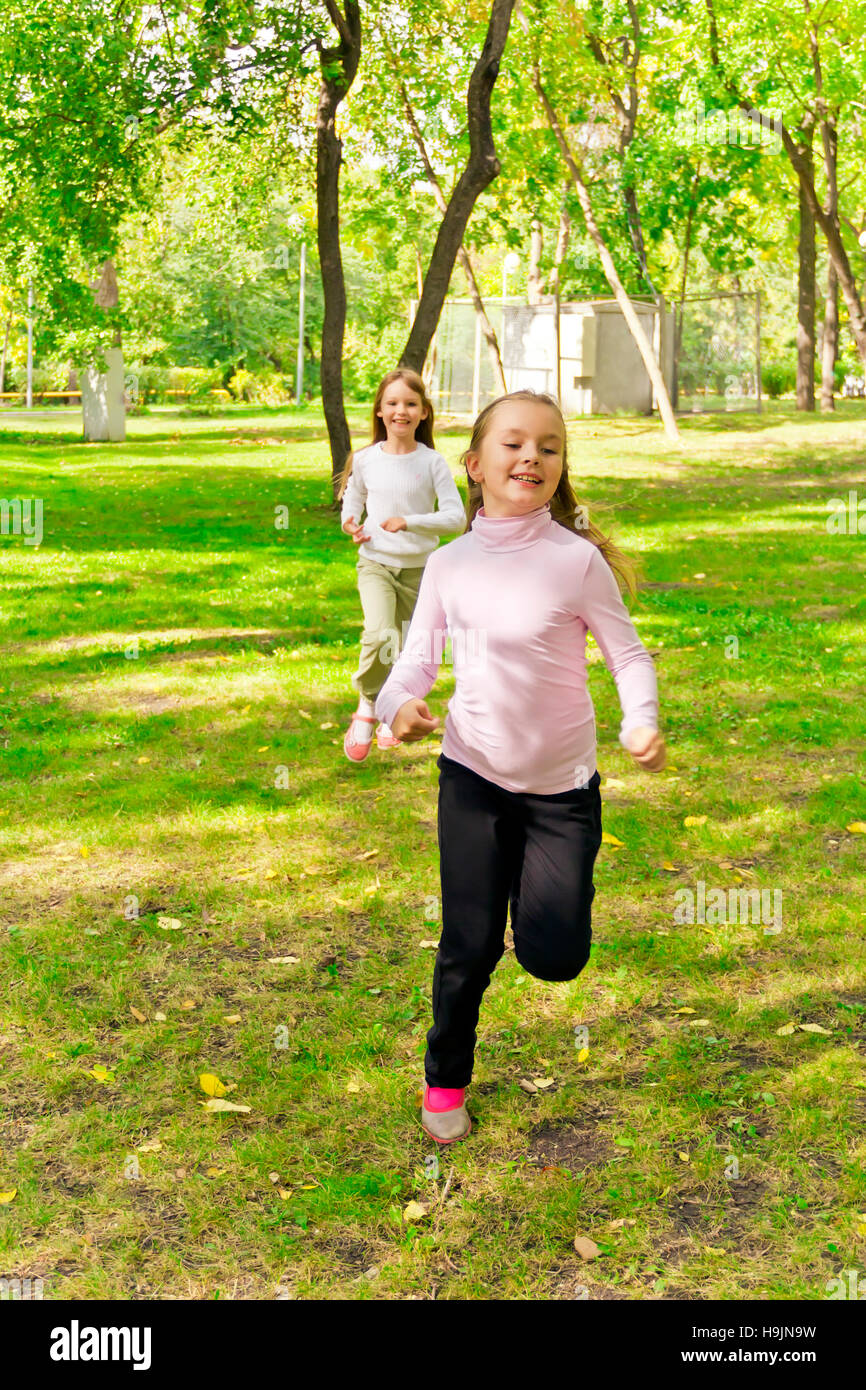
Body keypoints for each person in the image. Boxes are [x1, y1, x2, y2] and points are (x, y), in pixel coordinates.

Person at [375, 390, 666, 1143]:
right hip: (472, 776)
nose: (530, 456)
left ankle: (536, 902)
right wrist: (394, 708)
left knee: (555, 957)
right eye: (511, 444)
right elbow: (413, 664)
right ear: (473, 465)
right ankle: (444, 1082)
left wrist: (642, 720)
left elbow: (627, 653)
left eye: (548, 446)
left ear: (560, 466)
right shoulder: (448, 565)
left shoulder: (575, 563)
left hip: (562, 792)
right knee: (467, 942)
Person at [339, 368, 464, 762]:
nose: (401, 411)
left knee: (411, 646)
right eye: (392, 403)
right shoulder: (365, 460)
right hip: (375, 563)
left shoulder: (432, 463)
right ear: (379, 411)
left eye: (410, 404)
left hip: (422, 571)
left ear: (424, 412)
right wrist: (349, 522)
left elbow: (456, 518)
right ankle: (371, 705)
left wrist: (410, 521)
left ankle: (395, 710)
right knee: (379, 634)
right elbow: (354, 496)